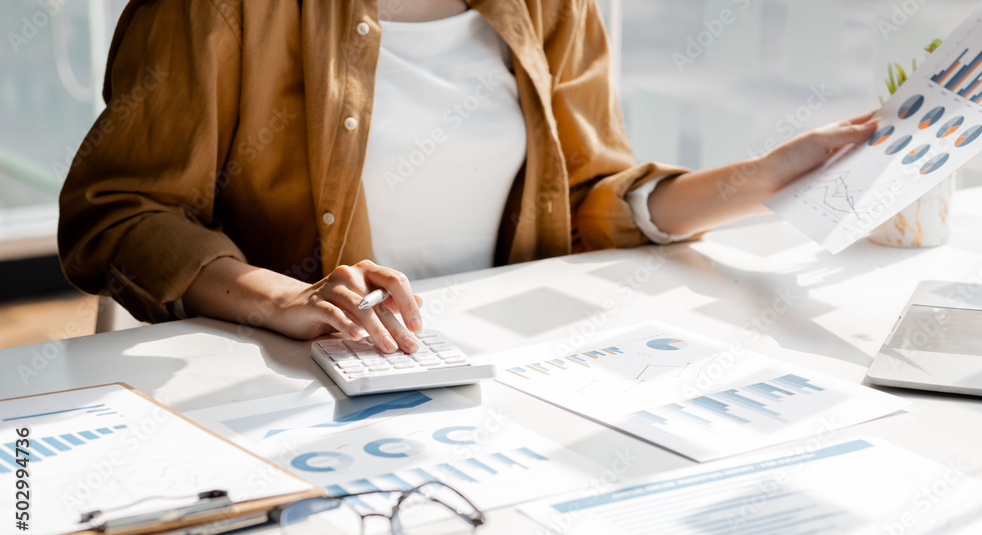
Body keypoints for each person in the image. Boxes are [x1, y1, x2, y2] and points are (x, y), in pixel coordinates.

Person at [58, 0, 876, 355]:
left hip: (501, 374)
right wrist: (281, 298)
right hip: (300, 386)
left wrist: (764, 176)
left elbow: (588, 197)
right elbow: (118, 214)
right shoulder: (216, 11)